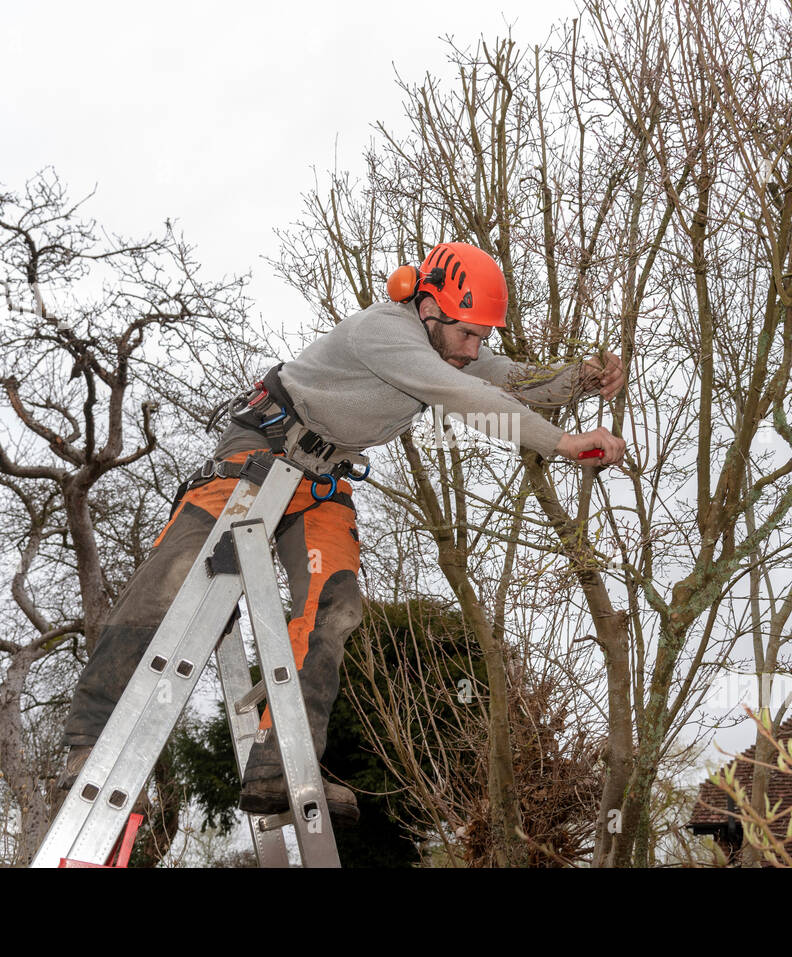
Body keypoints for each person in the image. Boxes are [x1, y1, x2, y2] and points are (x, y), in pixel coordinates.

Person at [53, 241, 626, 824]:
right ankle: (89, 743)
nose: (474, 348)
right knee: (170, 585)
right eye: (467, 334)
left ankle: (281, 766)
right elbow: (469, 399)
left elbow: (506, 381)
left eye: (481, 336)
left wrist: (580, 378)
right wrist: (561, 442)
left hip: (322, 479)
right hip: (257, 454)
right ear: (428, 306)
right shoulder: (385, 332)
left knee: (334, 604)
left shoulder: (447, 350)